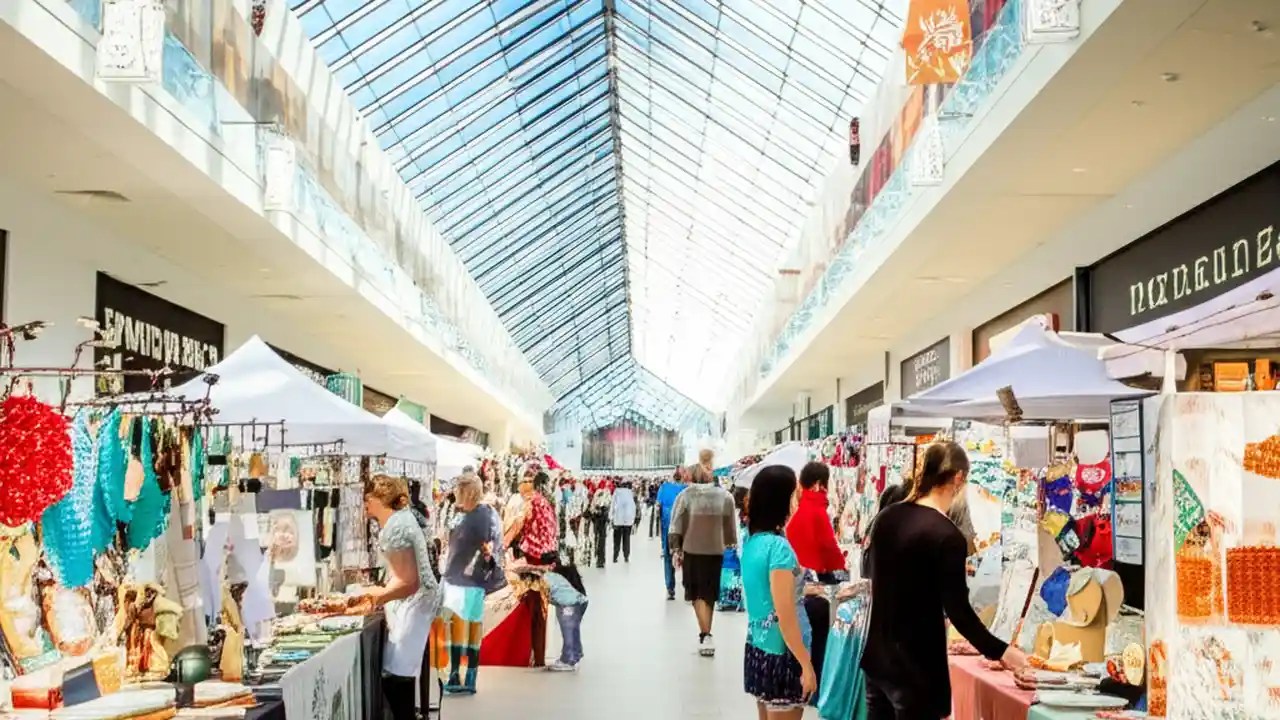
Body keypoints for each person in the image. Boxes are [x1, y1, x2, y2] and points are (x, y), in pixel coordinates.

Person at [861, 442, 1027, 720]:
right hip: (917, 667)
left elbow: (874, 577)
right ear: (958, 478)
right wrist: (1002, 651)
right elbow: (959, 612)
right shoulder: (946, 536)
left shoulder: (888, 517)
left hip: (878, 658)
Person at [362, 475, 440, 720]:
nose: (365, 504)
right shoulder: (399, 521)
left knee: (396, 676)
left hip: (417, 603)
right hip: (416, 602)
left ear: (379, 498)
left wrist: (377, 597)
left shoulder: (396, 528)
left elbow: (408, 582)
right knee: (396, 674)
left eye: (368, 498)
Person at [741, 465, 816, 719]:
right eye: (794, 494)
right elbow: (785, 615)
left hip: (759, 646)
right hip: (784, 653)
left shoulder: (753, 541)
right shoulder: (779, 548)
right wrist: (805, 663)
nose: (797, 501)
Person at [439, 474, 505, 695]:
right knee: (467, 625)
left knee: (461, 625)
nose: (455, 494)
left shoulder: (478, 515)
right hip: (466, 578)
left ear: (467, 492)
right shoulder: (477, 514)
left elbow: (486, 546)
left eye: (458, 490)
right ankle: (465, 675)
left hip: (466, 579)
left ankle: (459, 675)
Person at [669, 463, 737, 657]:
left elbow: (676, 523)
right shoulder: (725, 496)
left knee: (696, 591)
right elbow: (730, 524)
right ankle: (707, 632)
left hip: (692, 549)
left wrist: (675, 548)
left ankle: (705, 634)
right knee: (710, 591)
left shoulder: (685, 496)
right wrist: (730, 542)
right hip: (715, 550)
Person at [786, 462, 846, 581]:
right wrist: (844, 571)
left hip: (799, 574)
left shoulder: (802, 510)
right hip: (814, 577)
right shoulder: (816, 510)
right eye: (827, 482)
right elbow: (829, 547)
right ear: (818, 484)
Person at [505, 471, 559, 565]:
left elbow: (518, 522)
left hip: (536, 554)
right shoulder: (545, 502)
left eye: (529, 482)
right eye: (525, 482)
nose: (526, 485)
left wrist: (504, 543)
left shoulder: (532, 501)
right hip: (550, 551)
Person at [544, 558, 589, 672]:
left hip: (568, 604)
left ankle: (569, 660)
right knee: (573, 630)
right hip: (579, 601)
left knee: (568, 631)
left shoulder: (543, 579)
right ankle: (575, 653)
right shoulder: (553, 576)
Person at [656, 468, 688, 600]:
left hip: (668, 528)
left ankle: (670, 588)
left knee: (669, 557)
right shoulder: (686, 489)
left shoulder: (664, 488)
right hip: (684, 528)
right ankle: (687, 586)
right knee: (686, 556)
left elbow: (658, 507)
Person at [587, 481, 613, 568]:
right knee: (602, 539)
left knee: (595, 538)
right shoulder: (607, 493)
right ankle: (601, 560)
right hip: (603, 519)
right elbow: (609, 506)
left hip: (596, 519)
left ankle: (596, 556)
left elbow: (592, 507)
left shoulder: (597, 493)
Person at [611, 480, 638, 563]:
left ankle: (615, 556)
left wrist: (611, 517)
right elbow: (634, 507)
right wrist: (633, 519)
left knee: (616, 540)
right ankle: (626, 556)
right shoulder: (630, 493)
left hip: (617, 519)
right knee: (626, 539)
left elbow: (612, 505)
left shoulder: (616, 492)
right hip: (628, 520)